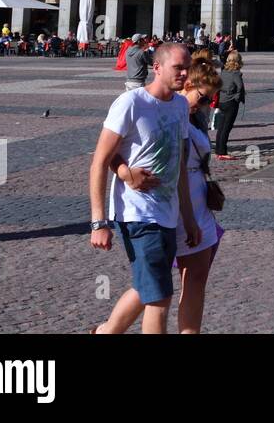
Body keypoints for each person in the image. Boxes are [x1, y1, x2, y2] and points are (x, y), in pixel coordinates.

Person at [88, 43, 201, 334]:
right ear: (158, 68)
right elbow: (100, 160)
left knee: (146, 288)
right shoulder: (131, 103)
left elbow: (180, 170)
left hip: (167, 214)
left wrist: (188, 219)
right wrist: (99, 222)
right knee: (160, 297)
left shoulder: (179, 105)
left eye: (188, 66)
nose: (186, 73)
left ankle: (104, 333)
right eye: (179, 67)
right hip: (137, 215)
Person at [109, 62, 224, 333]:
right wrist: (125, 172)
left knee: (194, 281)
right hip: (166, 207)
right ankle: (107, 331)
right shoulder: (153, 107)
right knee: (151, 287)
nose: (206, 104)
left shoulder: (192, 115)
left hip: (197, 206)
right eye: (203, 97)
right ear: (187, 85)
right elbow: (110, 151)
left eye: (210, 99)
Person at [215, 51, 246, 159]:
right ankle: (223, 152)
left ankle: (218, 150)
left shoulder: (224, 70)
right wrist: (237, 99)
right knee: (226, 128)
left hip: (222, 101)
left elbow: (222, 54)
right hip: (231, 103)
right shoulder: (236, 73)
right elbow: (240, 87)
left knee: (221, 127)